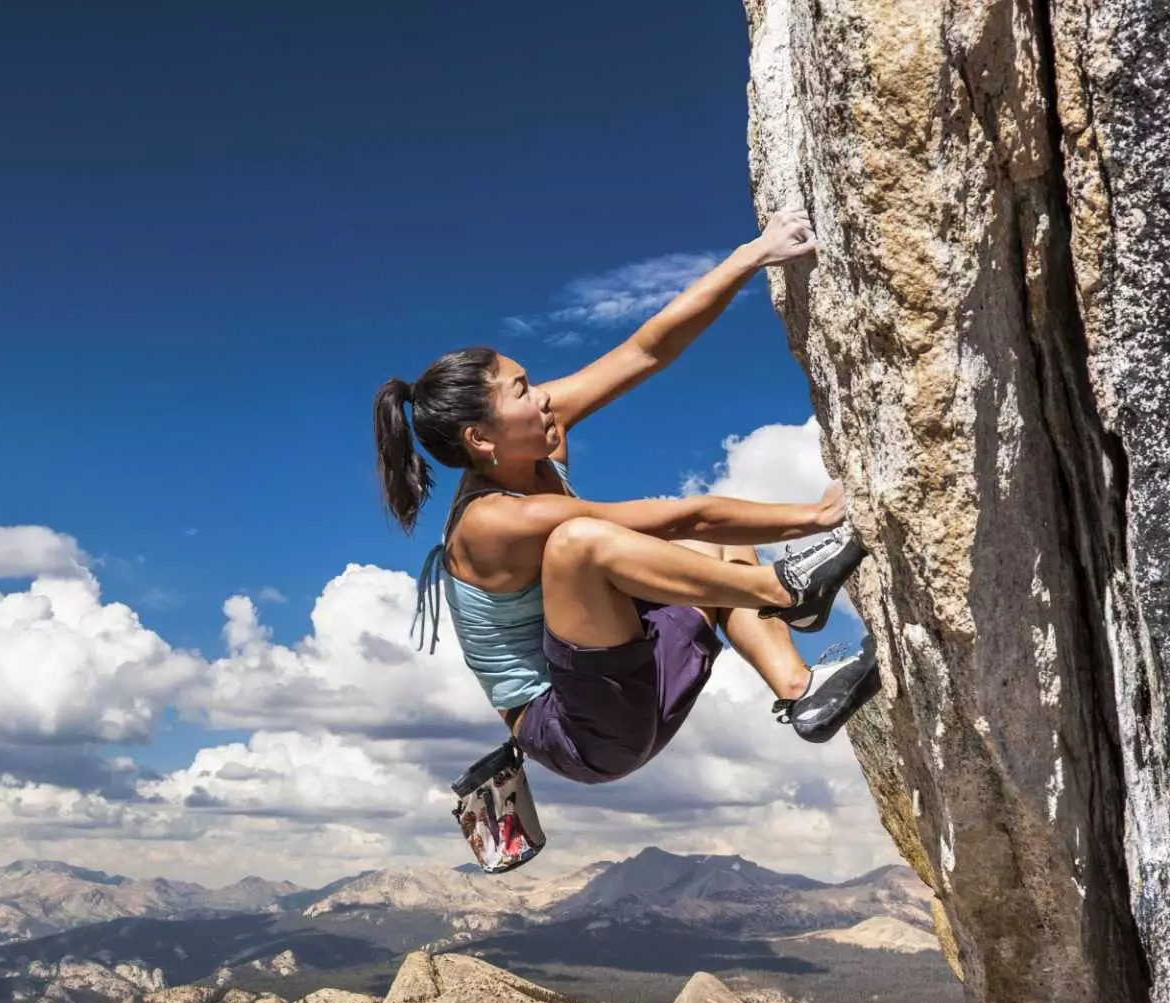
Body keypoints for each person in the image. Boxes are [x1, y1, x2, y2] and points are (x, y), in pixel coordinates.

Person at [372, 208, 880, 786]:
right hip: (578, 730)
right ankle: (785, 591)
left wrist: (752, 255)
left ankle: (803, 691)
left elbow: (646, 351)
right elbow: (675, 518)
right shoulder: (490, 524)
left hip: (631, 675)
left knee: (704, 548)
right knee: (579, 544)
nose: (541, 397)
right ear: (482, 437)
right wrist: (817, 518)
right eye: (521, 391)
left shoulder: (535, 437)